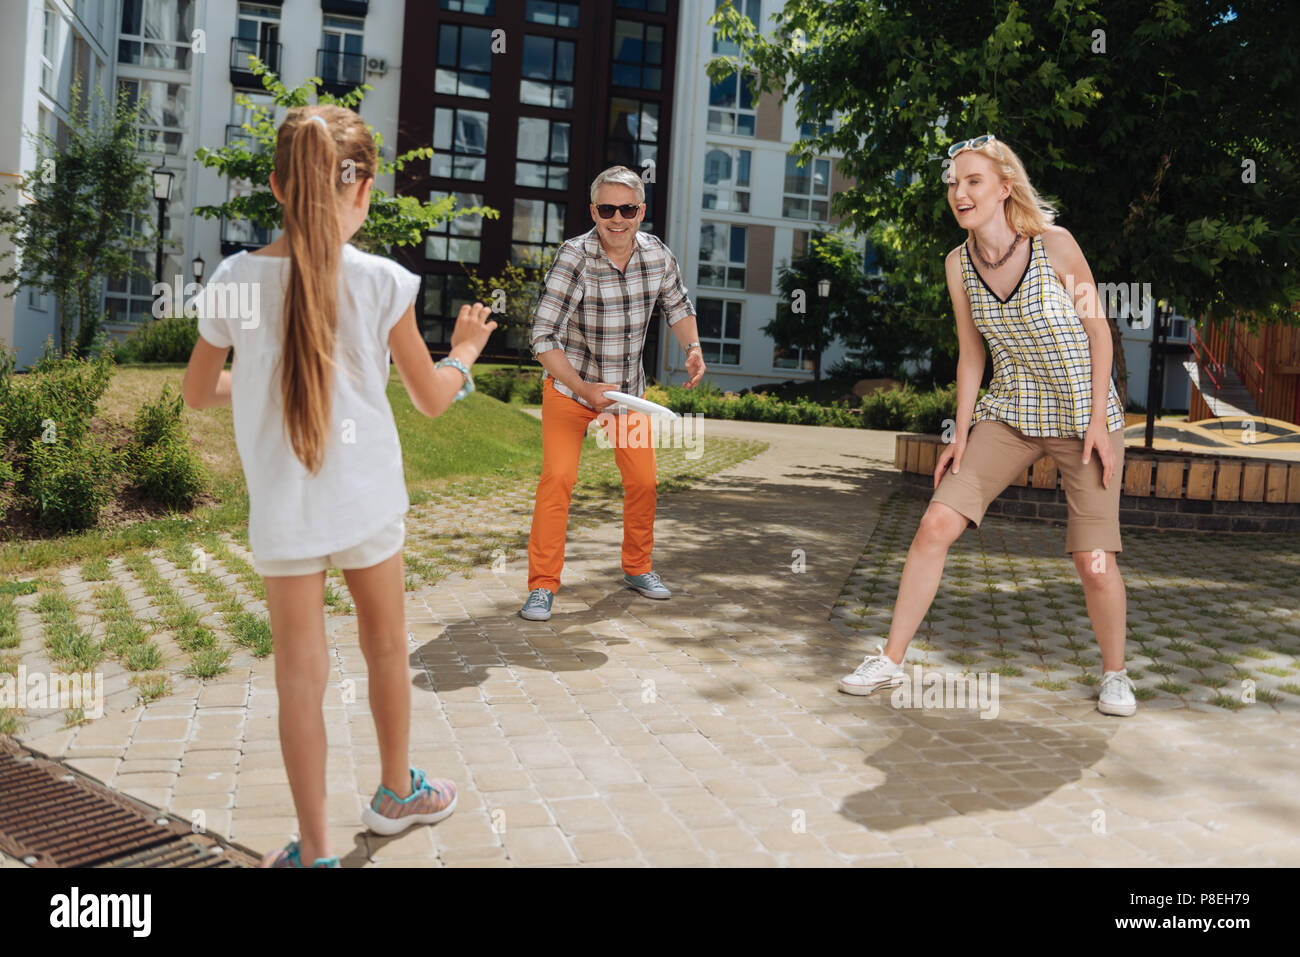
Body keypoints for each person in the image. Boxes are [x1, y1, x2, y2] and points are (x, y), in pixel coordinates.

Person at [182, 105, 498, 867]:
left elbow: (198, 390)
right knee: (387, 645)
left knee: (299, 674)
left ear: (275, 186)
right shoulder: (385, 282)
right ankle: (397, 794)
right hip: (367, 502)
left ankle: (316, 851)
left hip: (285, 515)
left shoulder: (234, 279)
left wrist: (257, 386)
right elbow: (428, 397)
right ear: (363, 195)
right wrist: (464, 352)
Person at [837, 134, 1136, 717]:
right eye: (953, 183)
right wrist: (960, 433)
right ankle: (890, 661)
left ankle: (1116, 675)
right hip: (1012, 413)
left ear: (1004, 188)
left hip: (1082, 417)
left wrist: (1100, 421)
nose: (959, 192)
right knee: (934, 524)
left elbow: (1099, 332)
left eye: (973, 181)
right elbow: (971, 355)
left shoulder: (1055, 245)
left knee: (1093, 559)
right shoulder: (958, 265)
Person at [518, 166, 706, 621]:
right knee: (558, 480)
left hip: (625, 397)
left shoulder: (656, 255)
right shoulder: (575, 257)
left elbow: (678, 305)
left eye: (626, 209)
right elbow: (542, 335)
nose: (617, 218)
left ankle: (638, 568)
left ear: (641, 211)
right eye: (607, 209)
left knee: (643, 482)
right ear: (593, 212)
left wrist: (693, 347)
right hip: (570, 389)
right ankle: (543, 585)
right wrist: (584, 388)